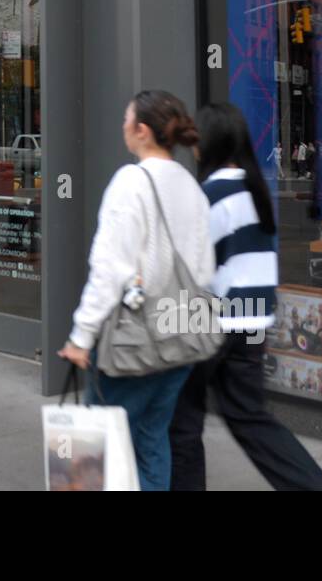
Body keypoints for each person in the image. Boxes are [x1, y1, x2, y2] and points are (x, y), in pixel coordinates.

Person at [169, 102, 322, 491]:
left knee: (182, 423)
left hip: (216, 324)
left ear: (207, 144)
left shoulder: (210, 195)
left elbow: (191, 271)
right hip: (253, 322)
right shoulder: (255, 190)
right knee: (251, 419)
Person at [58, 90, 214, 491]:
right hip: (183, 339)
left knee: (98, 453)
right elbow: (204, 271)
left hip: (135, 341)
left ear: (142, 130)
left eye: (127, 120)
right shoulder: (192, 187)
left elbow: (109, 268)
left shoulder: (132, 181)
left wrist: (81, 336)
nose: (123, 126)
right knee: (151, 438)